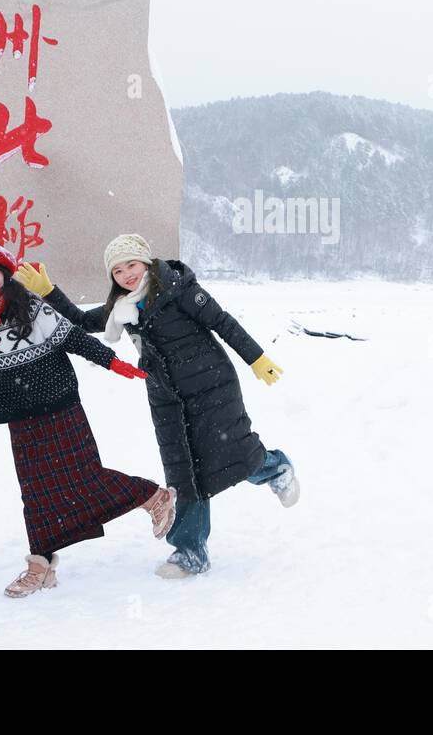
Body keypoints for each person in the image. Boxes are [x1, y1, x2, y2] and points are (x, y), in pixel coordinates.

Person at [0, 242, 175, 597]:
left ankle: (153, 496)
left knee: (83, 477)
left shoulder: (29, 307)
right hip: (18, 414)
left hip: (59, 403)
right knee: (35, 491)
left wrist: (111, 361)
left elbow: (71, 337)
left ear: (6, 276)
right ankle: (40, 565)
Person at [15, 234, 296, 578]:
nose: (126, 274)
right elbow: (79, 320)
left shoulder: (181, 290)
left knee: (234, 453)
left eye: (131, 265)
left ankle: (276, 468)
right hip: (166, 397)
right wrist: (48, 291)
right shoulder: (123, 309)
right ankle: (190, 552)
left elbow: (222, 321)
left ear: (146, 262)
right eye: (117, 270)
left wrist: (257, 357)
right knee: (184, 471)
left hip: (211, 384)